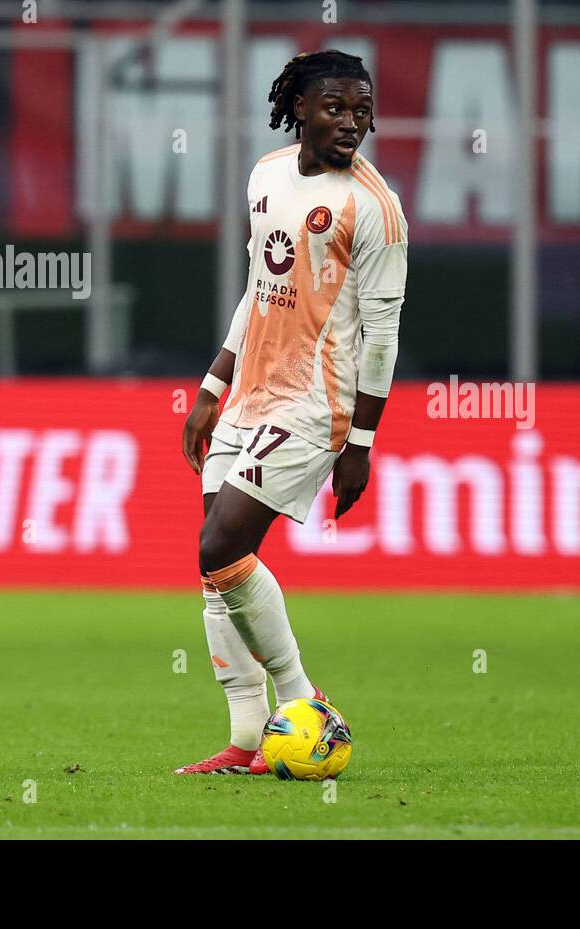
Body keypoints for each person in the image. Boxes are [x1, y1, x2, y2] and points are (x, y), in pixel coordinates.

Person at [175, 50, 408, 775]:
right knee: (221, 566)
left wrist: (361, 442)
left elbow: (383, 337)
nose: (351, 124)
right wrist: (216, 381)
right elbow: (259, 285)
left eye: (362, 112)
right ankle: (247, 739)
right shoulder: (268, 175)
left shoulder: (375, 209)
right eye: (336, 109)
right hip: (250, 390)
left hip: (315, 403)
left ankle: (306, 704)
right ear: (300, 108)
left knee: (219, 546)